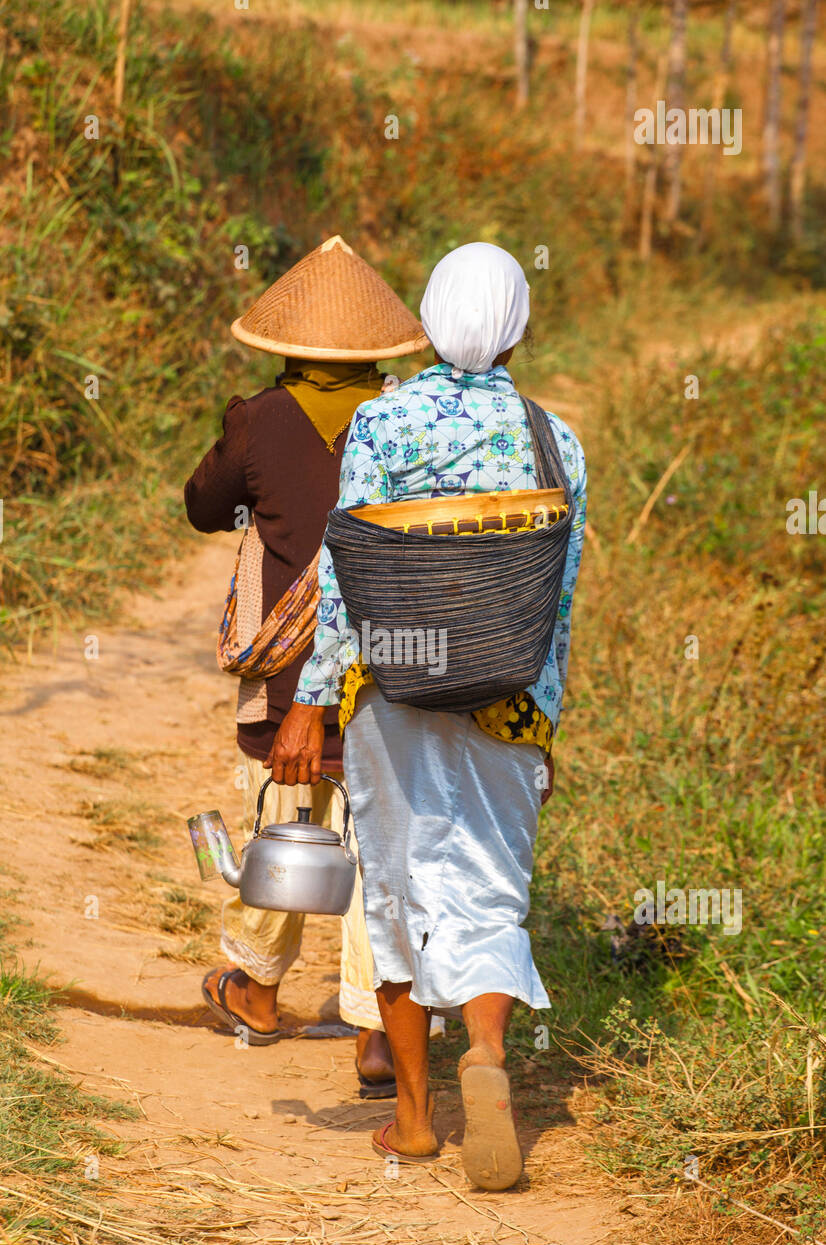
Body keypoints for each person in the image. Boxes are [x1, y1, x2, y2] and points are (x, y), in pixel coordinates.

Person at [267, 242, 587, 1187]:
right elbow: (557, 599)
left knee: (398, 890)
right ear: (520, 323)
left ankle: (414, 1119)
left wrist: (312, 702)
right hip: (504, 691)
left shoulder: (383, 421)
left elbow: (343, 571)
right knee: (489, 886)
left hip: (389, 688)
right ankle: (485, 1057)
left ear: (430, 318)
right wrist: (543, 719)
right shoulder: (552, 438)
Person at [184, 234, 431, 1097]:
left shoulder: (258, 419)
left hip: (294, 673)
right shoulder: (407, 417)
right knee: (381, 842)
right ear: (375, 350)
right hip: (392, 666)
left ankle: (255, 987)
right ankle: (374, 1031)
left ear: (287, 345)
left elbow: (203, 505)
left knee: (293, 818)